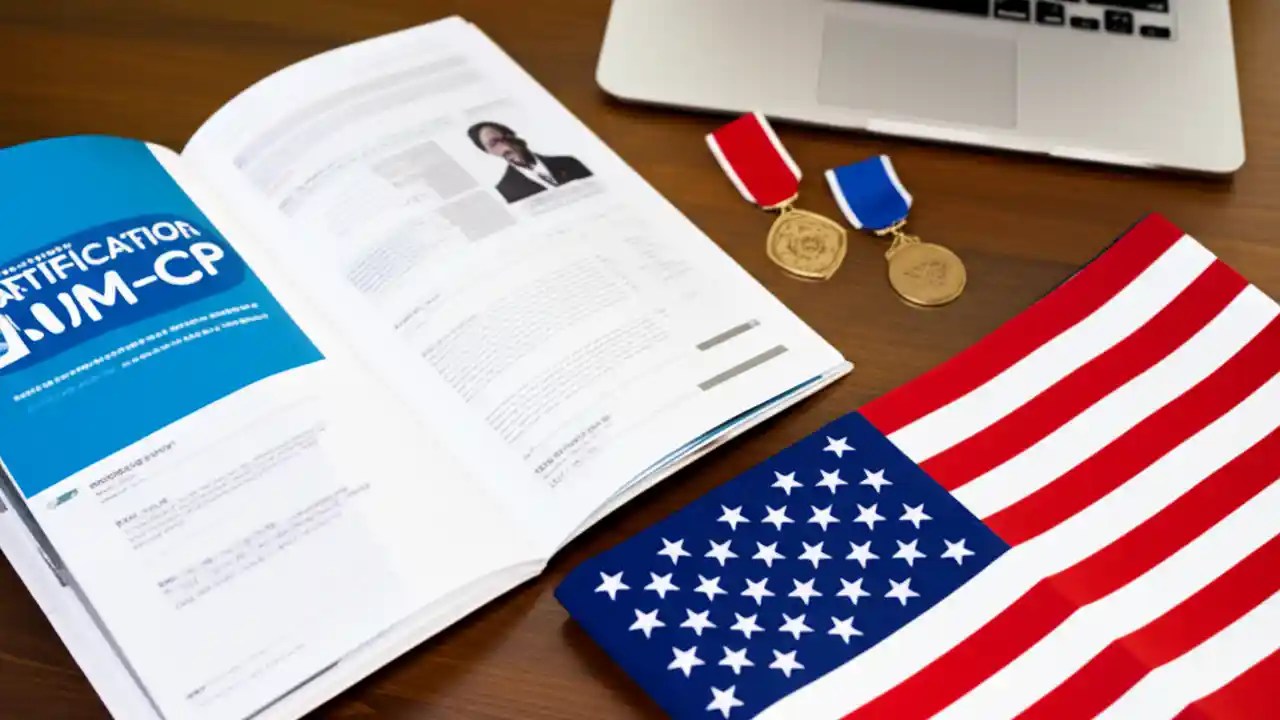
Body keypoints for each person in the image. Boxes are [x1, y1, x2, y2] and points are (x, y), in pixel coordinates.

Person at [467, 121, 592, 203]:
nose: (505, 145)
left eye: (505, 136)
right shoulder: (506, 189)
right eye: (494, 143)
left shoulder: (568, 162)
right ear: (488, 152)